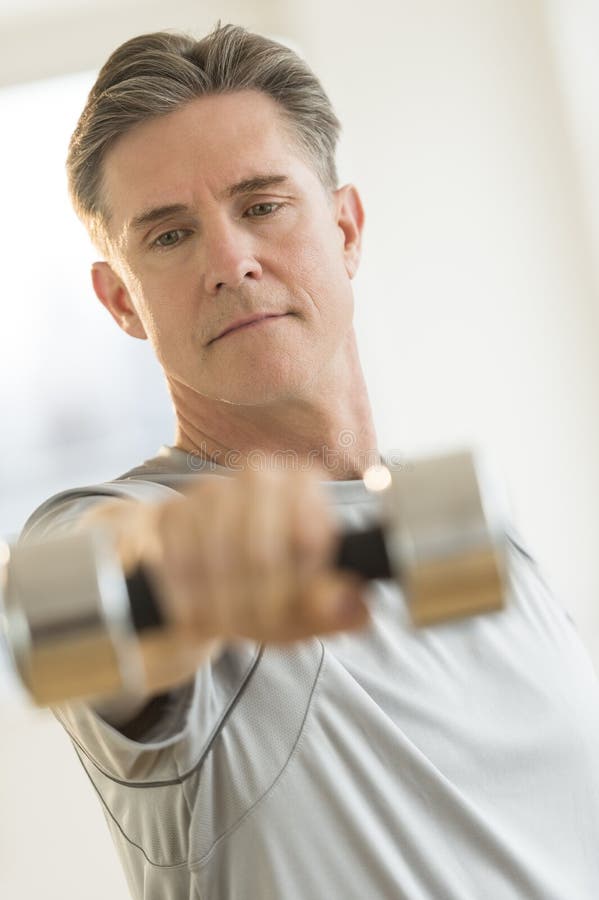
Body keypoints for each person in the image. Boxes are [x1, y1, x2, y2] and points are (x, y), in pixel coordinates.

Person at [20, 22, 599, 900]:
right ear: (120, 301)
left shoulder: (479, 541)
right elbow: (83, 602)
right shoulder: (122, 528)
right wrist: (183, 573)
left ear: (346, 227)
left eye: (260, 206)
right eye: (170, 236)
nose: (231, 261)